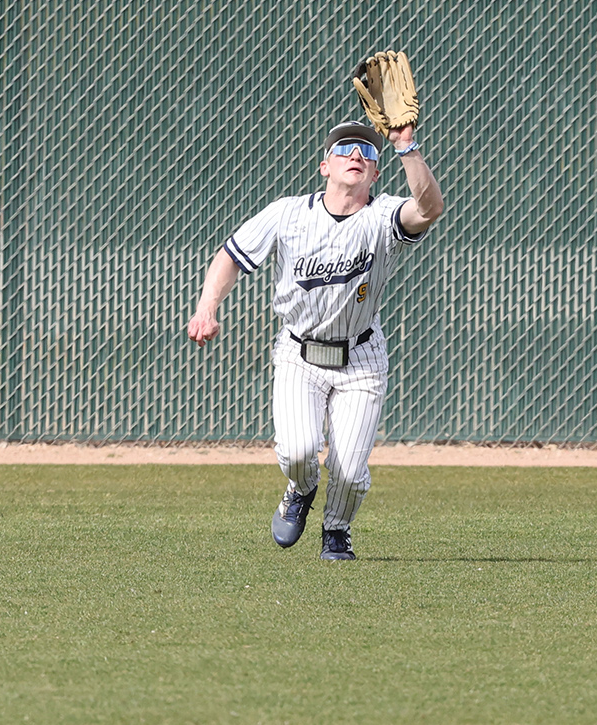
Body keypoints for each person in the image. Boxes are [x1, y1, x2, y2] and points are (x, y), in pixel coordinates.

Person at [185, 119, 443, 560]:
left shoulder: (382, 217)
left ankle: (336, 530)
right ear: (325, 166)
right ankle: (300, 489)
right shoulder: (288, 214)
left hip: (360, 356)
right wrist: (207, 307)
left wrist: (406, 146)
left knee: (349, 469)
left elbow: (429, 209)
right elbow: (230, 256)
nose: (357, 155)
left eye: (368, 152)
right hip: (298, 353)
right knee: (300, 450)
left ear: (377, 174)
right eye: (345, 149)